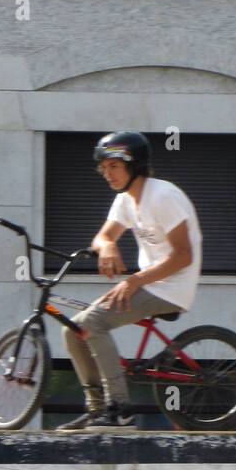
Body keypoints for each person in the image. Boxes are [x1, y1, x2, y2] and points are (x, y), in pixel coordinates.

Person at [59, 130, 202, 431]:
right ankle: (98, 410)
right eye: (103, 167)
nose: (106, 174)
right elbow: (103, 236)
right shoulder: (125, 200)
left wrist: (134, 281)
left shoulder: (163, 197)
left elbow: (183, 255)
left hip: (171, 287)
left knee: (94, 323)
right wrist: (108, 246)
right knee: (73, 331)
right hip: (149, 282)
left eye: (113, 166)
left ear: (133, 164)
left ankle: (120, 409)